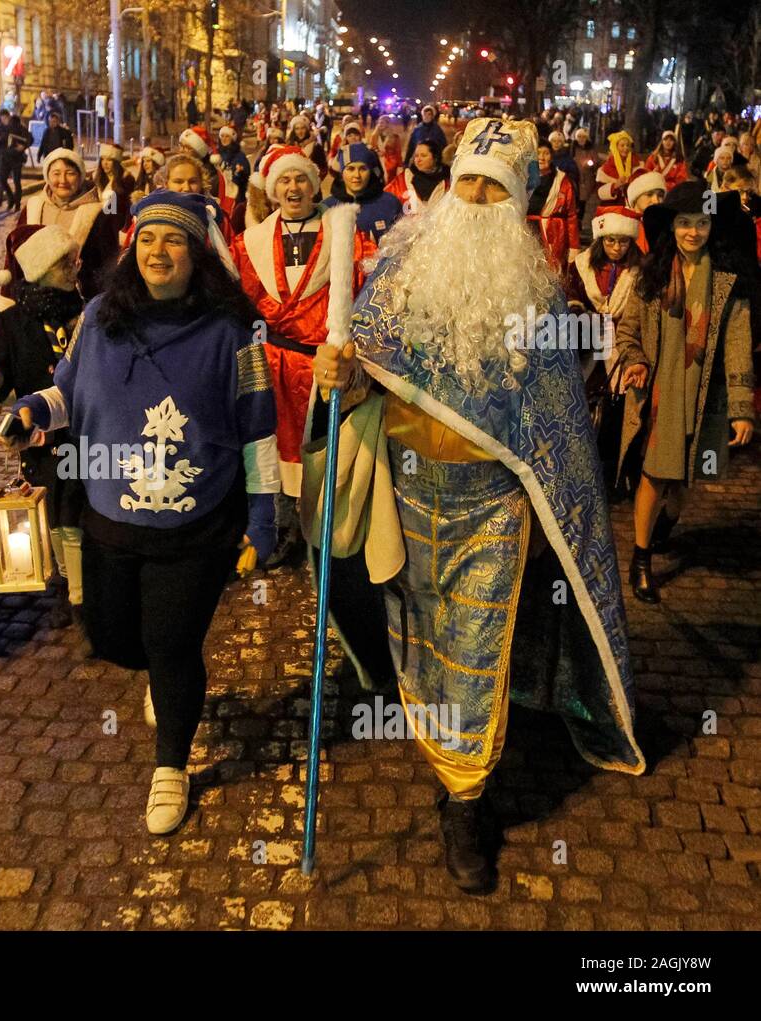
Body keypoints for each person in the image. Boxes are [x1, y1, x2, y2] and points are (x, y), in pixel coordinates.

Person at [310, 118, 646, 893]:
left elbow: (556, 420)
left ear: (518, 201)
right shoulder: (399, 276)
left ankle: (465, 799)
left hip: (494, 504)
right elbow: (366, 368)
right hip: (408, 495)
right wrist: (343, 373)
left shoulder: (539, 294)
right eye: (469, 182)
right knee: (422, 637)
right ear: (450, 190)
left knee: (473, 643)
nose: (478, 196)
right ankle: (455, 751)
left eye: (495, 187)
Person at [5, 192, 279, 834]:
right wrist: (32, 413)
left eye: (174, 240)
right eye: (148, 238)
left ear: (197, 254)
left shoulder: (230, 333)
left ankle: (171, 766)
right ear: (133, 248)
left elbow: (258, 432)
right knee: (109, 636)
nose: (159, 251)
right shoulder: (100, 316)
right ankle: (159, 671)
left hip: (196, 526)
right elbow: (66, 391)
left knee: (173, 645)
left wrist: (261, 520)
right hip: (109, 518)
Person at [611, 181, 756, 604]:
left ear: (712, 227)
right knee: (656, 474)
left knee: (685, 480)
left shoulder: (729, 281)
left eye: (701, 223)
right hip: (659, 397)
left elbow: (737, 344)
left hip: (706, 396)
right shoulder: (651, 276)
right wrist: (635, 359)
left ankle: (666, 523)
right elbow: (627, 332)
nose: (693, 232)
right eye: (685, 223)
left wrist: (743, 409)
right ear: (672, 227)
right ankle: (641, 559)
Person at [233, 144, 358, 570]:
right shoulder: (250, 244)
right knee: (271, 447)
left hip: (322, 364)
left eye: (301, 178)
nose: (293, 187)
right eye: (284, 180)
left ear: (314, 184)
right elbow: (239, 304)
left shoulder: (342, 235)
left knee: (319, 449)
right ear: (272, 190)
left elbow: (358, 289)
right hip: (272, 363)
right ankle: (279, 526)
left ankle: (320, 525)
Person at [0, 225, 86, 627]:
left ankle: (82, 601)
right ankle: (65, 587)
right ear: (41, 268)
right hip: (38, 436)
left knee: (77, 511)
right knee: (54, 513)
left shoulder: (86, 314)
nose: (74, 268)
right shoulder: (9, 324)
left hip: (82, 433)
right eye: (65, 263)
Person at [565, 206, 644, 493]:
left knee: (616, 407)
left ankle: (612, 471)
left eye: (622, 241)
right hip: (587, 342)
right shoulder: (583, 265)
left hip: (621, 342)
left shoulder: (639, 270)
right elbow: (571, 292)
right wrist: (579, 313)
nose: (616, 247)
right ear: (600, 240)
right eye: (610, 241)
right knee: (583, 401)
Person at [0, 148, 119, 310]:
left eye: (70, 173)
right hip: (32, 302)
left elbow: (106, 265)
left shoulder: (97, 214)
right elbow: (15, 257)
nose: (63, 180)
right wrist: (8, 300)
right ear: (47, 176)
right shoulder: (34, 207)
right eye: (56, 173)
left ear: (80, 176)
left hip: (78, 305)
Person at [323, 142, 404, 293]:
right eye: (350, 169)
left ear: (371, 171)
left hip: (379, 291)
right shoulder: (327, 208)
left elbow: (400, 252)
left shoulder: (389, 204)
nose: (356, 175)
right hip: (337, 291)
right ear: (342, 172)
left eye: (363, 168)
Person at [527, 142, 580, 274]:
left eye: (546, 153)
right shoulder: (522, 178)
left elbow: (571, 215)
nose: (541, 157)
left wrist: (574, 246)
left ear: (552, 156)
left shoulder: (562, 181)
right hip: (526, 230)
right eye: (538, 153)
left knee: (550, 273)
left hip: (553, 235)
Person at [385, 140, 449, 215]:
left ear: (435, 158)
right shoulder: (403, 179)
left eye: (423, 155)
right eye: (416, 156)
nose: (418, 160)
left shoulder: (447, 183)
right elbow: (385, 200)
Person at [0, 116, 31, 212]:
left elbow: (30, 139)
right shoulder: (2, 127)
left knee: (16, 182)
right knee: (3, 180)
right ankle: (12, 199)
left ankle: (16, 203)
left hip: (16, 158)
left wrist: (23, 146)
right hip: (5, 157)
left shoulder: (20, 129)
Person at [93, 142, 132, 231]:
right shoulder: (96, 178)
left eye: (109, 160)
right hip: (98, 224)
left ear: (116, 162)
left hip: (117, 226)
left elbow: (129, 206)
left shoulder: (126, 179)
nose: (105, 163)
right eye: (102, 159)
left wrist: (126, 228)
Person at [597, 130, 638, 203]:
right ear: (615, 148)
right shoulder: (606, 168)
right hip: (613, 206)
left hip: (630, 205)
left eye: (628, 145)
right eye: (622, 145)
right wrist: (614, 186)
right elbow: (600, 192)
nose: (626, 148)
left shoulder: (636, 164)